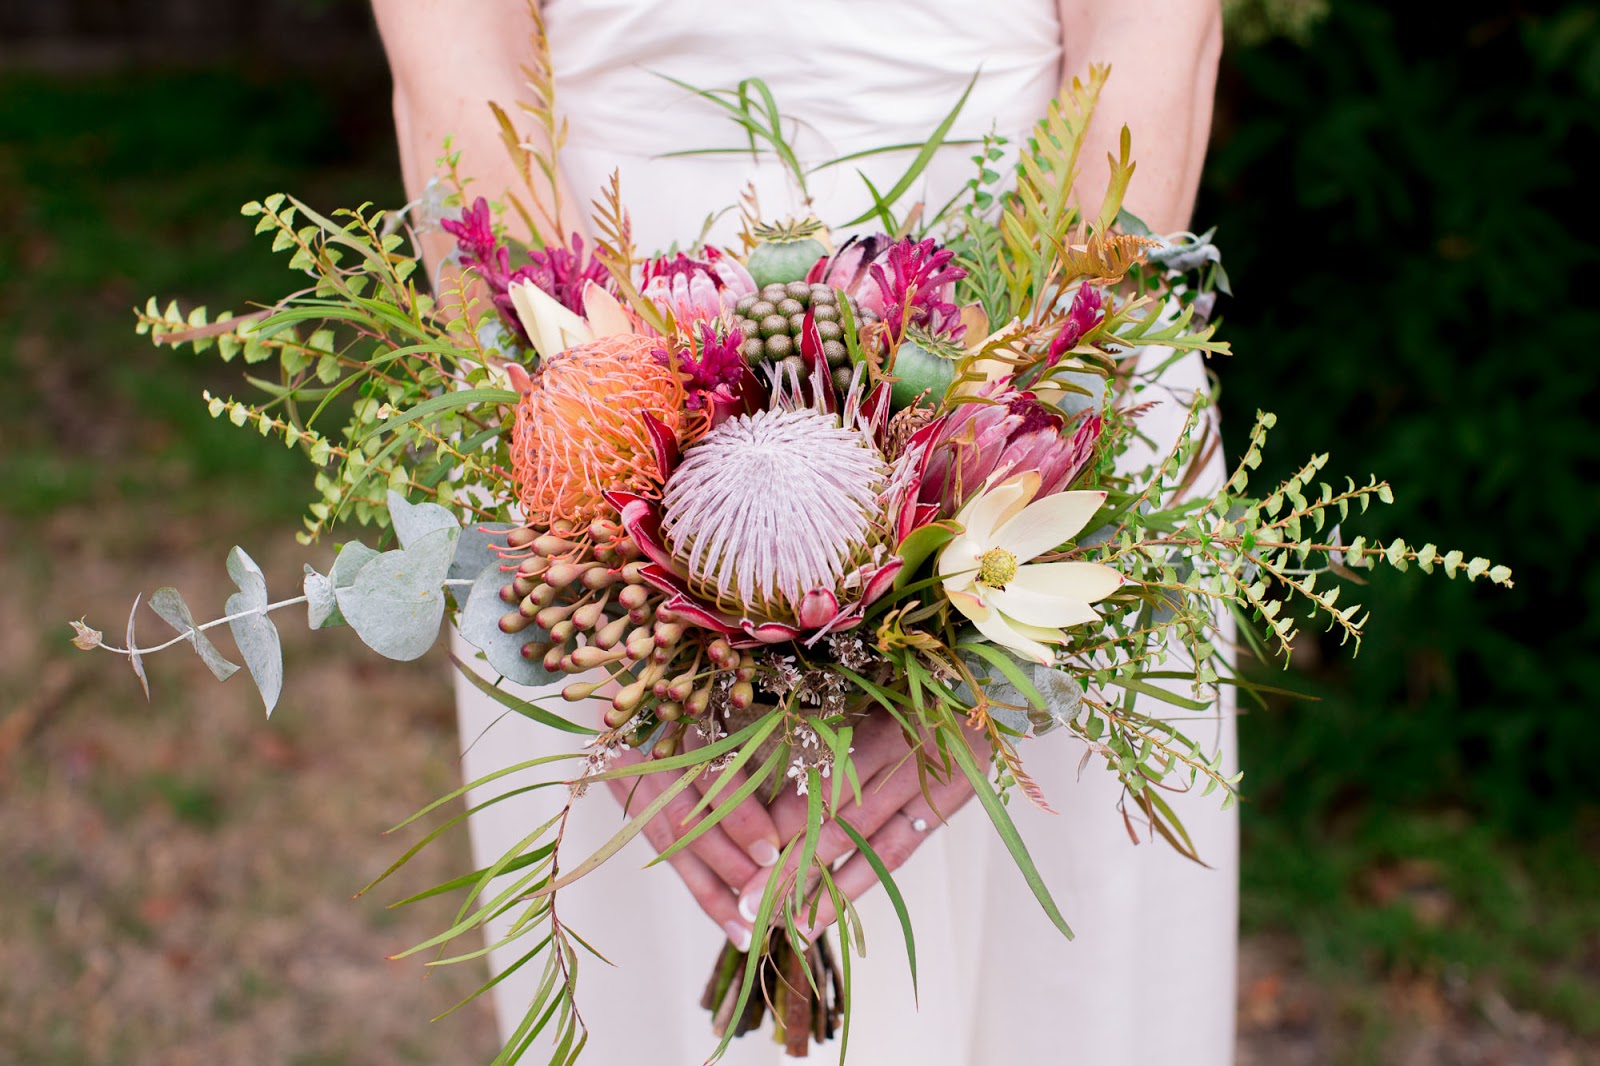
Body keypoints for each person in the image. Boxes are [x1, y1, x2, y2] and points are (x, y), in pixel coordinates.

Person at [373, 2, 1234, 1062]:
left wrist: (1024, 492)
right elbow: (455, 72)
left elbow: (1154, 47)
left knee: (1047, 1010)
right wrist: (596, 575)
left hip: (1034, 360)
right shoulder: (581, 439)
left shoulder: (1043, 418)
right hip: (599, 373)